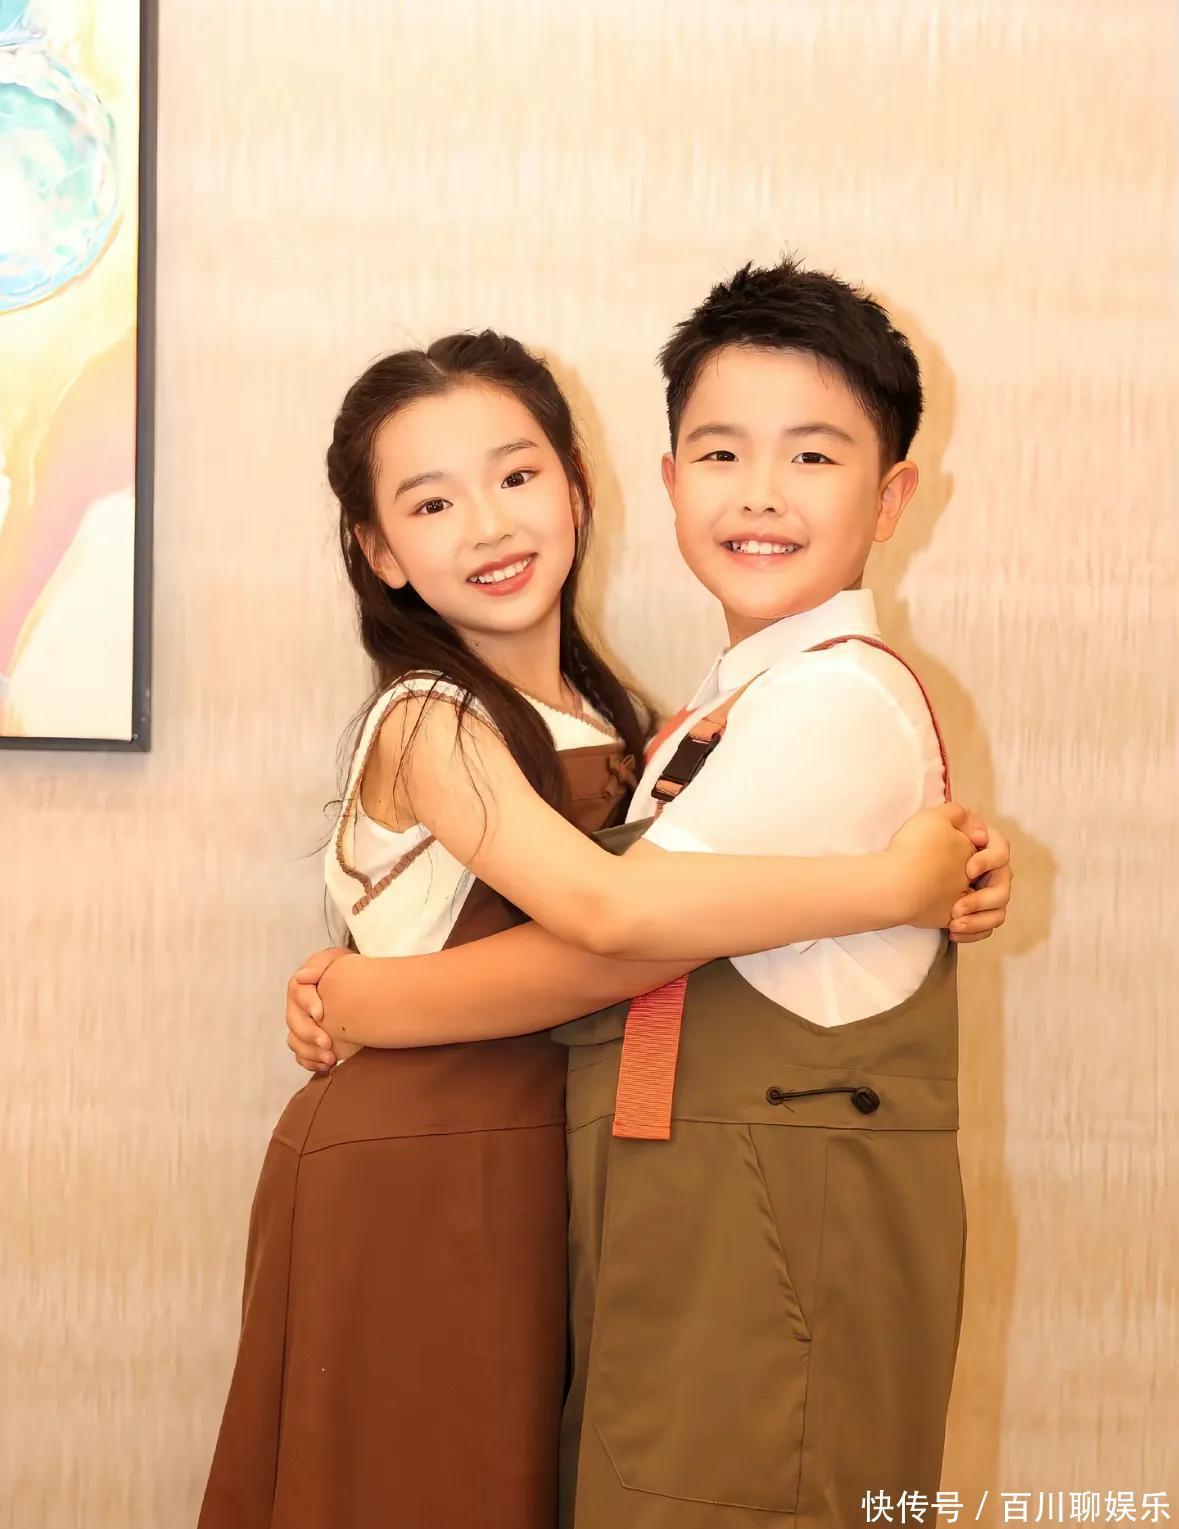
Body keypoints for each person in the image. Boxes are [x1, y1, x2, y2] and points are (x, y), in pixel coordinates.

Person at [282, 266, 1012, 1528]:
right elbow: (619, 921)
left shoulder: (720, 708)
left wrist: (354, 991)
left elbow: (627, 929)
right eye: (723, 452)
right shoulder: (520, 715)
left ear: (581, 488)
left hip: (572, 1178)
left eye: (812, 455)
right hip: (442, 1159)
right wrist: (887, 884)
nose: (762, 492)